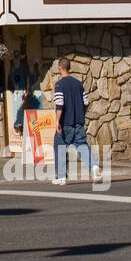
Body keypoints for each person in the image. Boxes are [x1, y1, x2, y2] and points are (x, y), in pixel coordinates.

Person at [52, 57, 101, 185]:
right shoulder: (78, 84)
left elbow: (59, 104)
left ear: (60, 68)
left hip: (65, 122)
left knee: (59, 145)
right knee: (82, 145)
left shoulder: (59, 85)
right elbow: (86, 102)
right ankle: (94, 167)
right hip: (78, 121)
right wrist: (80, 114)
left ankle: (61, 176)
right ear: (69, 67)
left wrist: (57, 121)